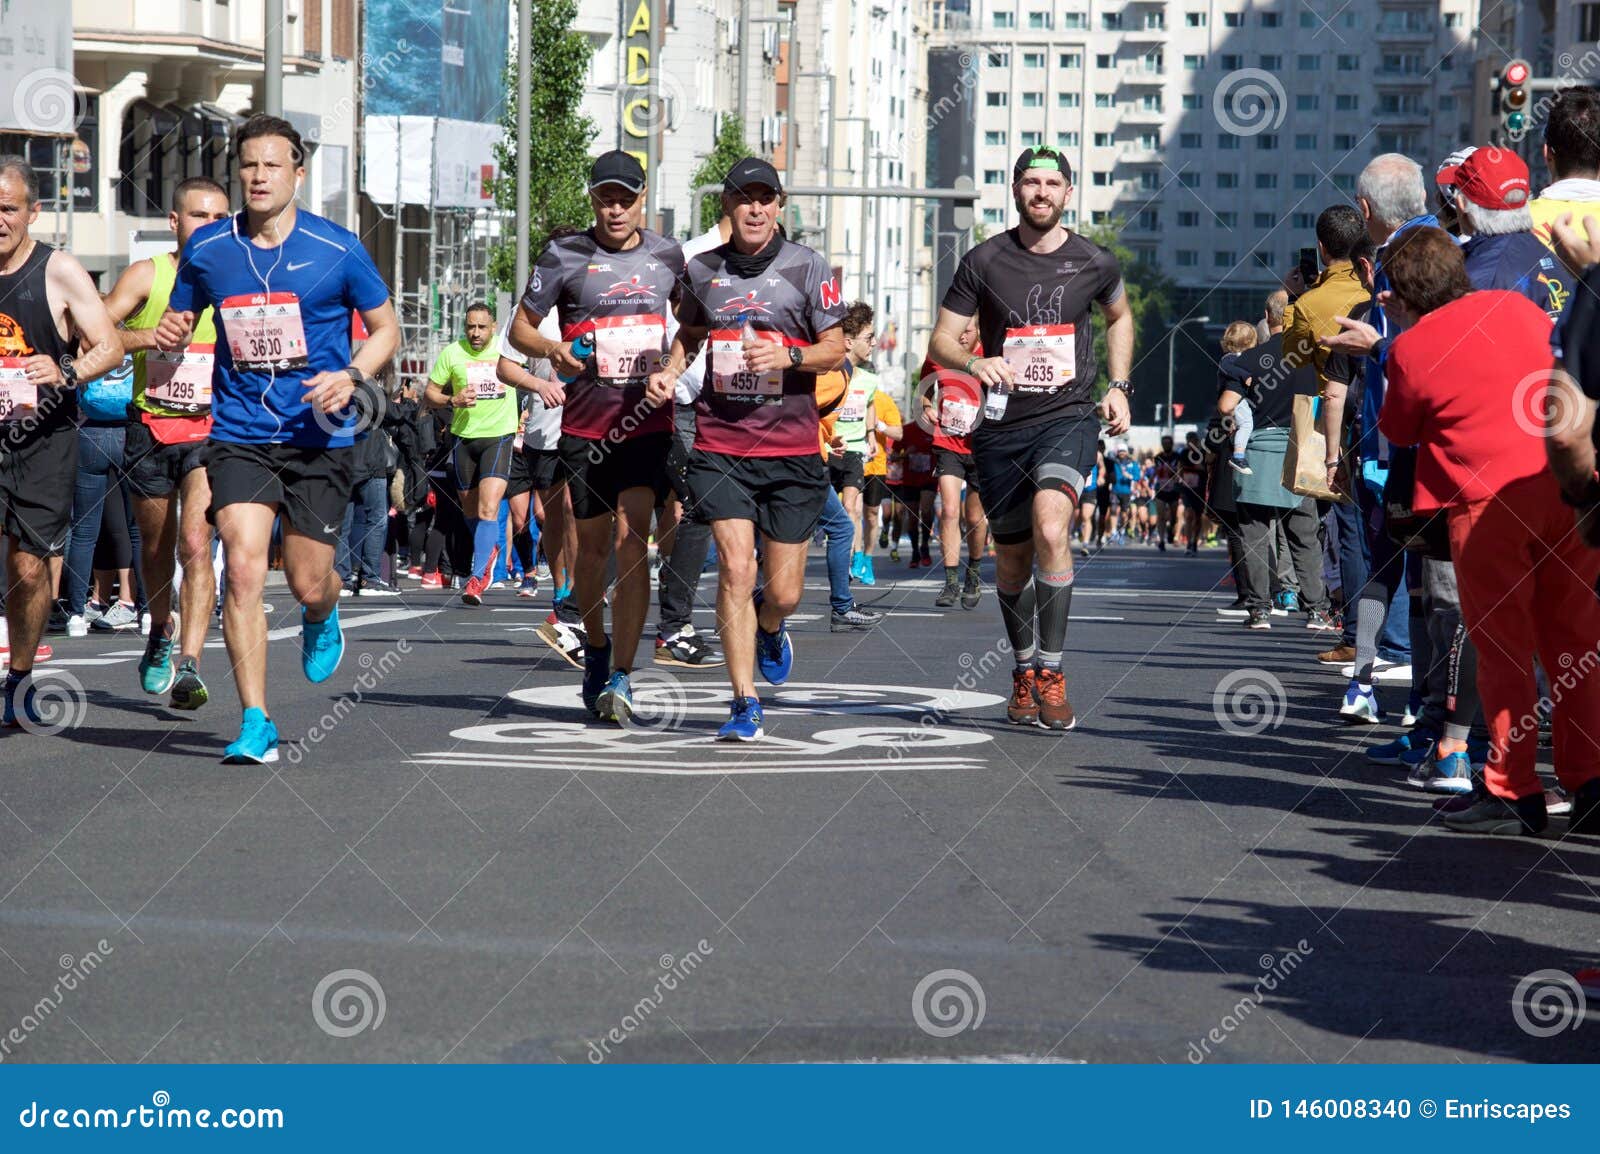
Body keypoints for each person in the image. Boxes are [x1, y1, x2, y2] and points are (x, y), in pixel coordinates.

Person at [155, 114, 400, 762]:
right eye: (249, 165)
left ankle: (322, 612)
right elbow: (181, 315)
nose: (259, 176)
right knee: (240, 565)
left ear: (298, 172)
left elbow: (386, 330)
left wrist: (351, 376)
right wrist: (174, 332)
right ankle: (256, 720)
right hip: (239, 433)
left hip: (317, 433)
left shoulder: (338, 247)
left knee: (305, 580)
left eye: (272, 165)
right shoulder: (209, 249)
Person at [1377, 226, 1600, 835]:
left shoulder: (1412, 348)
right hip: (1563, 484)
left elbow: (1398, 429)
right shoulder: (1517, 305)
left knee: (1503, 649)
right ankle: (1588, 781)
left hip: (1485, 508)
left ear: (1400, 293)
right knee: (1575, 643)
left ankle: (1510, 789)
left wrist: (1394, 341)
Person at [929, 145, 1134, 730]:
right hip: (1000, 427)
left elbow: (1119, 316)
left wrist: (1119, 385)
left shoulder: (1095, 261)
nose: (1040, 192)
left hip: (1067, 416)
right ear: (1015, 190)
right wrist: (974, 363)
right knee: (1012, 559)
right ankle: (1021, 671)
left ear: (1069, 193)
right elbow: (943, 338)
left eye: (1052, 183)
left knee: (1051, 527)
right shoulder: (983, 260)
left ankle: (1052, 669)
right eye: (1030, 182)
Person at [646, 156, 846, 741]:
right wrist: (668, 370)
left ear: (779, 206)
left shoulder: (809, 267)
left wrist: (791, 357)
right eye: (744, 198)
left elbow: (835, 347)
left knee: (782, 590)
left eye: (765, 198)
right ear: (728, 207)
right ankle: (742, 701)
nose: (755, 209)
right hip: (721, 441)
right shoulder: (702, 269)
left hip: (790, 448)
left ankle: (770, 627)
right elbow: (689, 333)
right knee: (735, 566)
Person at [511, 151, 687, 723]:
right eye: (606, 198)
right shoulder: (563, 254)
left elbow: (696, 323)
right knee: (588, 556)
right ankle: (596, 644)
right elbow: (520, 327)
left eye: (626, 198)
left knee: (631, 546)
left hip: (645, 425)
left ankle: (623, 675)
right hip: (584, 429)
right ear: (593, 200)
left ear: (642, 198)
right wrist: (552, 350)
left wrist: (673, 369)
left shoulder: (666, 254)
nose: (615, 209)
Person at [0, 157, 124, 726]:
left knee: (28, 567)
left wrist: (68, 370)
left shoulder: (59, 270)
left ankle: (19, 676)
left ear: (33, 212)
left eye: (9, 209)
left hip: (43, 441)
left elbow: (111, 346)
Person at [104, 176, 232, 704]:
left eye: (220, 218)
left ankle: (191, 663)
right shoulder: (147, 275)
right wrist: (146, 337)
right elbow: (94, 333)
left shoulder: (240, 279)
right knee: (156, 548)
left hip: (211, 431)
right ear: (175, 223)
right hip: (151, 429)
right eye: (199, 217)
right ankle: (160, 628)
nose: (211, 227)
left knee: (195, 545)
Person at [1216, 291, 1336, 632]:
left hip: (1259, 454)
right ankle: (1316, 610)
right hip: (1301, 454)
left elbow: (1227, 406)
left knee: (1254, 533)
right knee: (1304, 535)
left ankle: (1260, 610)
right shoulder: (1312, 360)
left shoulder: (1251, 358)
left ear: (1269, 318)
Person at [495, 304, 585, 666]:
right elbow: (505, 367)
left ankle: (574, 599)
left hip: (587, 428)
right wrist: (540, 384)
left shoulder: (597, 297)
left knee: (575, 509)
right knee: (552, 516)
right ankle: (562, 586)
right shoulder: (530, 313)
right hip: (542, 433)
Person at [425, 303, 515, 606]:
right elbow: (430, 394)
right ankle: (489, 546)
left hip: (499, 435)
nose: (475, 333)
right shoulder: (452, 353)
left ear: (493, 327)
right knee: (469, 509)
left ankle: (476, 580)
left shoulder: (507, 350)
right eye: (470, 327)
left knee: (490, 508)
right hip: (464, 437)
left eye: (481, 327)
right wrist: (453, 398)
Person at [924, 336, 987, 608]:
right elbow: (925, 391)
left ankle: (972, 575)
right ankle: (950, 582)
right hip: (948, 442)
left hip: (981, 446)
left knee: (974, 517)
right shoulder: (939, 354)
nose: (961, 334)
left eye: (967, 328)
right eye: (957, 328)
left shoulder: (991, 352)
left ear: (978, 329)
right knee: (949, 510)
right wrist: (927, 407)